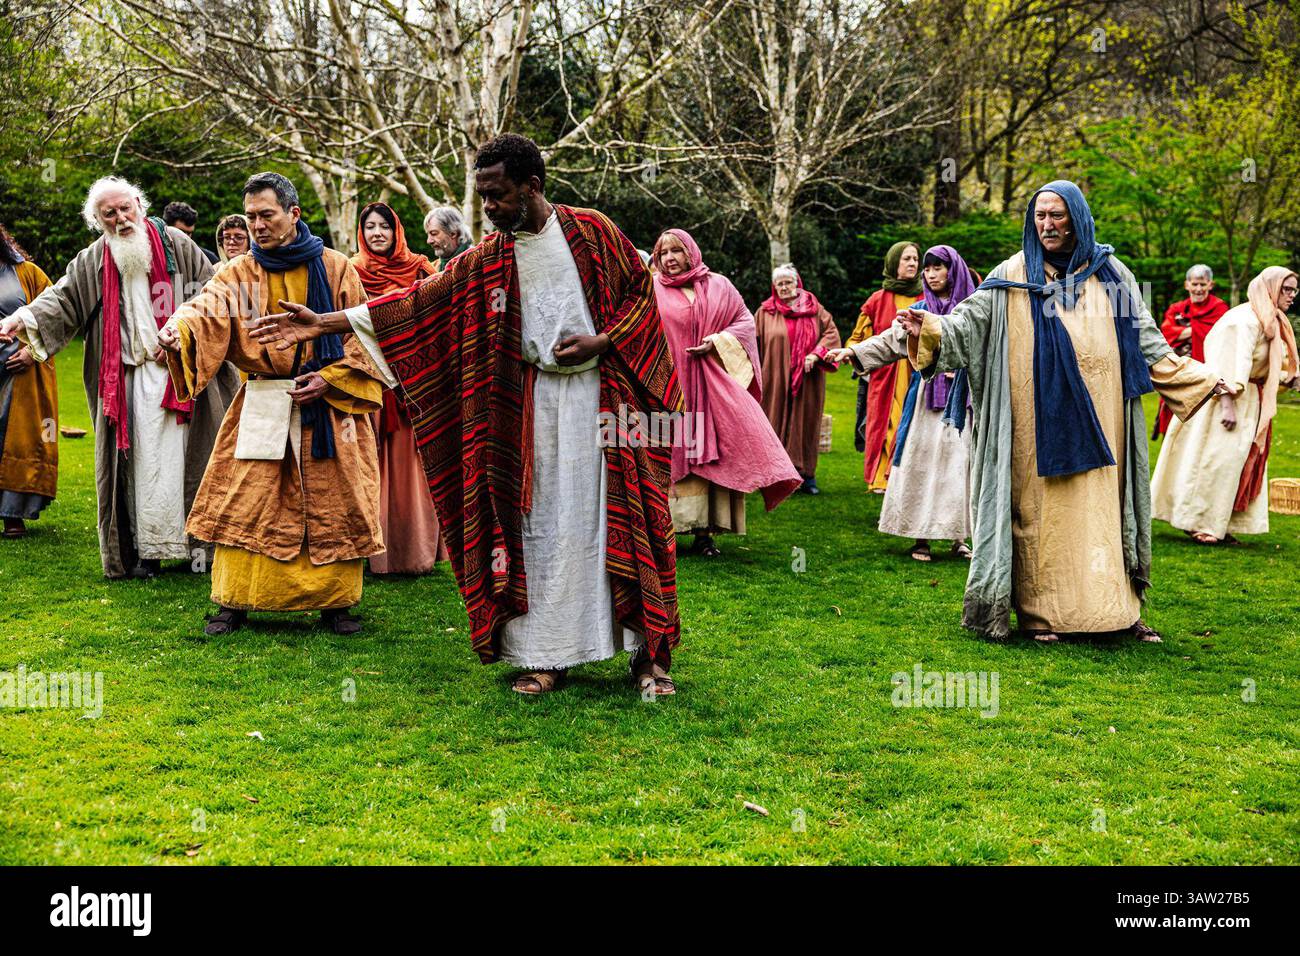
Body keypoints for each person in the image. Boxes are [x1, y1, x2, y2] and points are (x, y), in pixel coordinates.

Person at [250, 134, 683, 697]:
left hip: (607, 404)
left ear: (533, 186)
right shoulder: (490, 258)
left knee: (627, 523)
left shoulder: (593, 231)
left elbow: (641, 298)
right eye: (483, 198)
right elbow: (416, 305)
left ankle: (647, 657)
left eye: (499, 196)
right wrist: (324, 323)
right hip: (524, 414)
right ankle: (546, 654)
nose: (490, 209)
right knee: (536, 529)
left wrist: (604, 340)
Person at [895, 180, 1225, 643]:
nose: (1048, 225)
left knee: (1102, 515)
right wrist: (928, 327)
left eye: (1058, 215)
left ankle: (1115, 610)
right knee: (1040, 518)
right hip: (1034, 428)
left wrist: (1201, 379)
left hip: (1105, 422)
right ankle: (1041, 614)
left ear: (1078, 218)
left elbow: (1148, 339)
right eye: (1040, 216)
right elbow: (966, 325)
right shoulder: (1012, 275)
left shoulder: (1111, 275)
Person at [155, 171, 386, 636]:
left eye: (267, 215)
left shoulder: (338, 268)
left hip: (330, 405)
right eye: (252, 217)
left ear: (293, 214)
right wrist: (177, 331)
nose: (258, 225)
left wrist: (329, 377)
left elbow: (366, 336)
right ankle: (234, 602)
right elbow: (205, 308)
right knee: (246, 500)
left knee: (336, 501)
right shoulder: (239, 272)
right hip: (262, 399)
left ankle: (335, 604)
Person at [0, 176, 233, 579]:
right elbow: (63, 298)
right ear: (97, 220)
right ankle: (148, 552)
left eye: (126, 208)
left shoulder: (179, 247)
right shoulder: (95, 259)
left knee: (189, 463)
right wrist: (21, 318)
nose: (121, 218)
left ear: (140, 205)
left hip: (184, 381)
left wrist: (185, 331)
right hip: (129, 387)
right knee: (138, 468)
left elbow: (214, 293)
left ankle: (199, 549)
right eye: (109, 213)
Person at [651, 228, 800, 556]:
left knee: (713, 451)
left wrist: (716, 342)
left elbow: (744, 323)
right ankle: (668, 531)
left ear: (691, 252)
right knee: (671, 451)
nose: (670, 259)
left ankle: (705, 534)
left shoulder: (718, 285)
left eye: (676, 251)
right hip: (668, 388)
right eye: (663, 253)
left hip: (709, 386)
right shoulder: (651, 290)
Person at [829, 245, 976, 561]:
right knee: (920, 463)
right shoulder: (920, 309)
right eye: (928, 268)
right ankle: (920, 536)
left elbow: (984, 349)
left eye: (939, 267)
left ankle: (958, 537)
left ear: (955, 271)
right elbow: (888, 341)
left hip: (962, 402)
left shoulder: (972, 310)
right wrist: (852, 352)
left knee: (957, 468)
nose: (931, 273)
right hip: (927, 402)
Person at [1151, 266, 1297, 544]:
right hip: (1223, 401)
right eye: (1285, 288)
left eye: (1293, 290)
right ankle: (1199, 522)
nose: (1291, 295)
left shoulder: (1271, 321)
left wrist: (1287, 377)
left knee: (1234, 464)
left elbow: (1259, 367)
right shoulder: (1242, 321)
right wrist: (1227, 405)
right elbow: (1225, 364)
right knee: (1214, 462)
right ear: (1269, 288)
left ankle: (1220, 523)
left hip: (1249, 402)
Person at [350, 201, 446, 574]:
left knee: (409, 469)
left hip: (413, 385)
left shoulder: (422, 269)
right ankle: (371, 552)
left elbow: (436, 320)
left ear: (396, 231)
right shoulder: (352, 272)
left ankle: (411, 552)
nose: (377, 233)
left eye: (384, 227)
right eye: (370, 227)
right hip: (369, 382)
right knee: (369, 463)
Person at [753, 264, 840, 495]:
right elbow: (752, 343)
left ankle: (806, 475)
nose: (784, 287)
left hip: (808, 378)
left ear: (797, 283)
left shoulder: (815, 309)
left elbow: (831, 334)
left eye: (787, 282)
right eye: (779, 284)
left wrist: (816, 353)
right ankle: (775, 477)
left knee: (806, 422)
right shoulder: (765, 312)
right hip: (775, 377)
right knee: (774, 421)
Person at [847, 241, 922, 490]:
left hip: (917, 376)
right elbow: (856, 338)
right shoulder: (877, 300)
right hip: (884, 376)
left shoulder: (927, 296)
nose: (913, 263)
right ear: (893, 263)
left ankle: (908, 481)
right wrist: (859, 353)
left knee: (911, 425)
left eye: (915, 259)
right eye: (906, 259)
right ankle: (881, 480)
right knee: (883, 426)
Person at [0, 225, 56, 539]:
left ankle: (12, 515)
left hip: (21, 375)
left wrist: (32, 352)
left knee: (17, 438)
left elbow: (55, 313)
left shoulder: (27, 273)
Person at [1153, 264, 1229, 437]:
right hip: (1178, 373)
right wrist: (1196, 329)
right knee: (1173, 430)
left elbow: (1222, 338)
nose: (1198, 289)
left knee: (1201, 431)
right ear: (1186, 285)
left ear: (1211, 284)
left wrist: (1184, 331)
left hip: (1206, 375)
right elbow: (1164, 334)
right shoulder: (1177, 309)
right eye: (1194, 284)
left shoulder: (1219, 309)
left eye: (1203, 284)